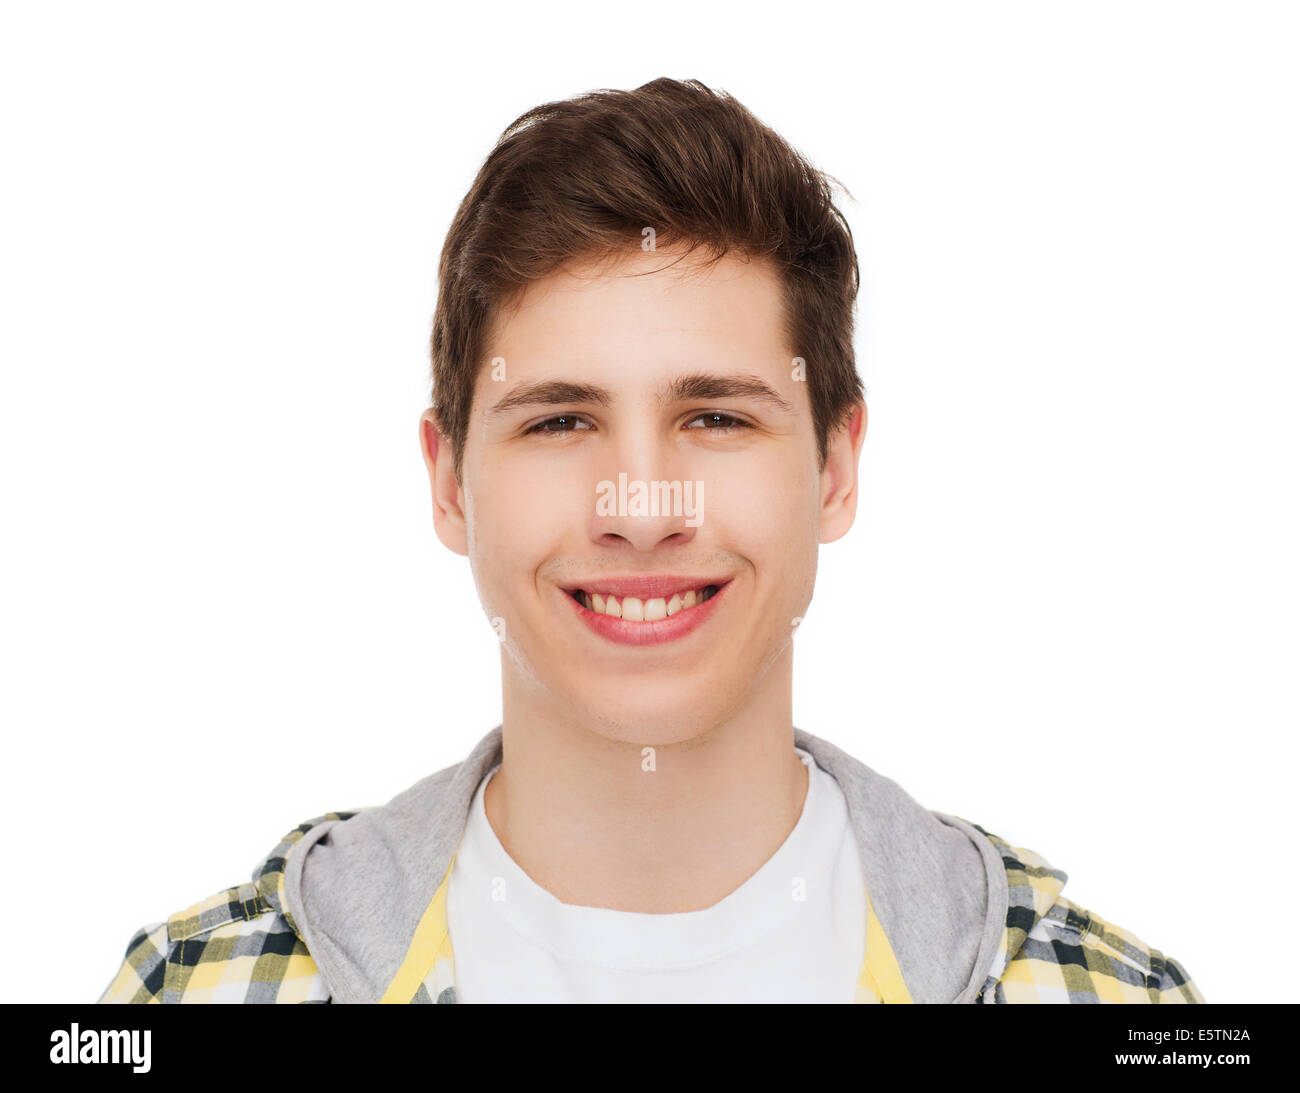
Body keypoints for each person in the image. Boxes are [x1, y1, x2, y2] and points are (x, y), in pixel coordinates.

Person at [99, 77, 1202, 1004]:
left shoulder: (1115, 1002)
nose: (639, 502)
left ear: (834, 466)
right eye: (560, 419)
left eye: (716, 417)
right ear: (447, 481)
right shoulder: (196, 988)